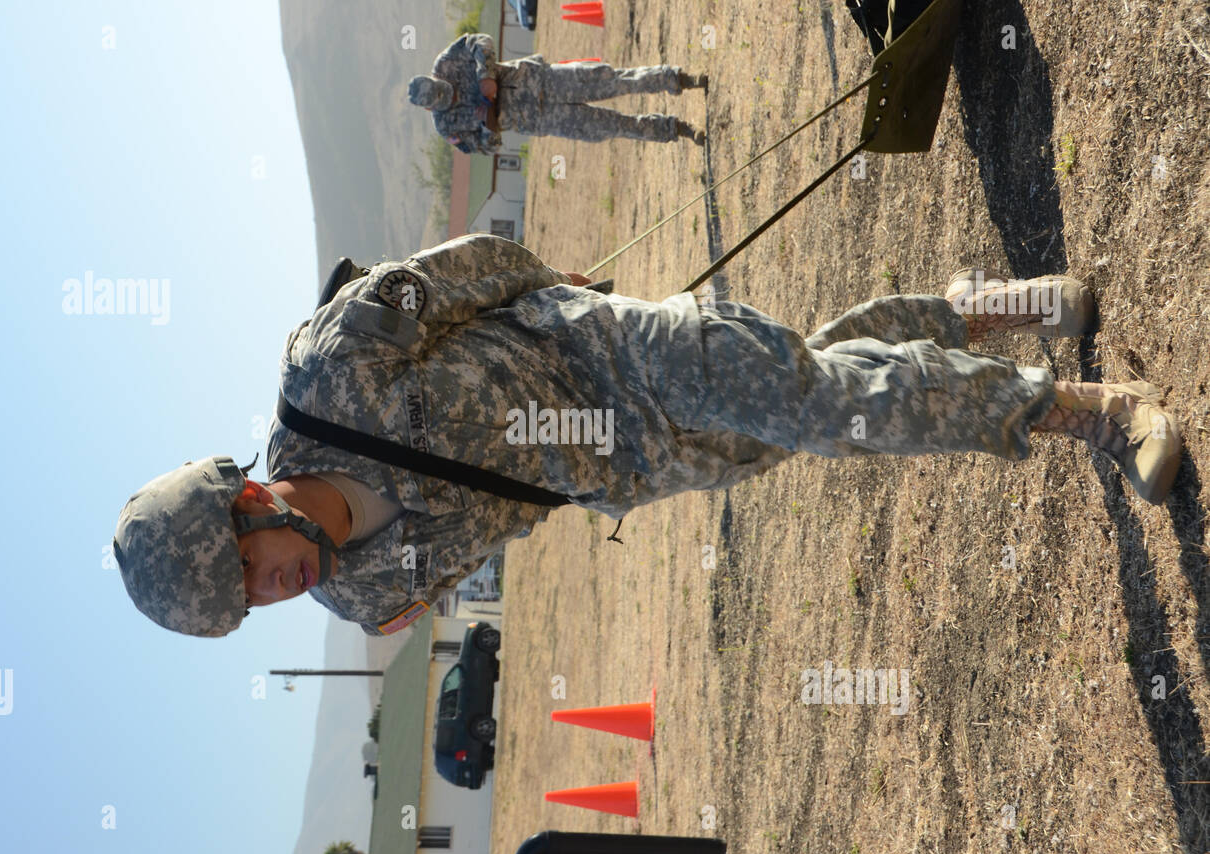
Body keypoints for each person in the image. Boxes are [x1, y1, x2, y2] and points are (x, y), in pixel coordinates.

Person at [113, 234, 1181, 640]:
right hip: (622, 465)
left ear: (243, 505)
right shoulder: (359, 596)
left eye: (250, 571)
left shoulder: (326, 377)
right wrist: (407, 597)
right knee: (820, 387)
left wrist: (562, 289)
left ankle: (1095, 411)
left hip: (615, 352)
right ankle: (977, 307)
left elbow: (470, 266)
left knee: (821, 406)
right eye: (250, 603)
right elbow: (480, 541)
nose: (273, 591)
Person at [407, 33, 708, 152]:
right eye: (442, 101)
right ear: (429, 110)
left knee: (616, 80)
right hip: (544, 119)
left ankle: (679, 79)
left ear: (435, 78)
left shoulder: (446, 62)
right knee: (614, 126)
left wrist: (486, 74)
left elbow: (479, 41)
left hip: (544, 80)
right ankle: (677, 129)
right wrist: (488, 126)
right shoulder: (447, 127)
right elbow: (487, 148)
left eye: (445, 90)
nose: (451, 96)